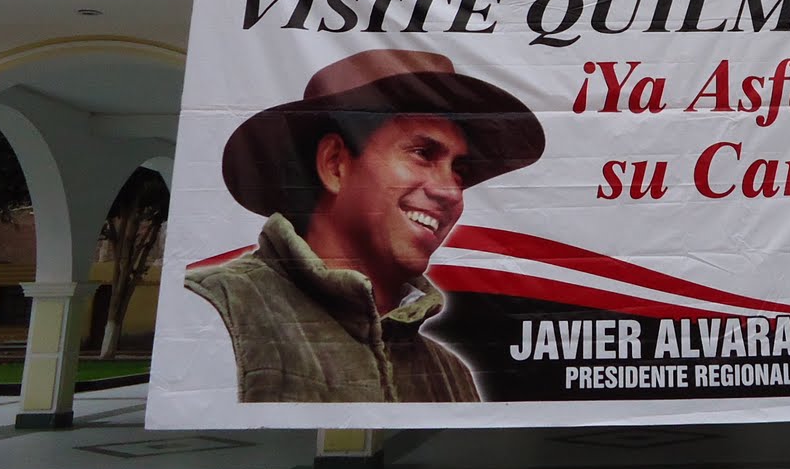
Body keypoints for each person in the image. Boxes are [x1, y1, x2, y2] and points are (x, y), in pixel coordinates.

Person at [187, 48, 544, 403]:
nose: (451, 192)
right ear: (335, 164)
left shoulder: (451, 376)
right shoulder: (219, 312)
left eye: (459, 171)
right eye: (423, 153)